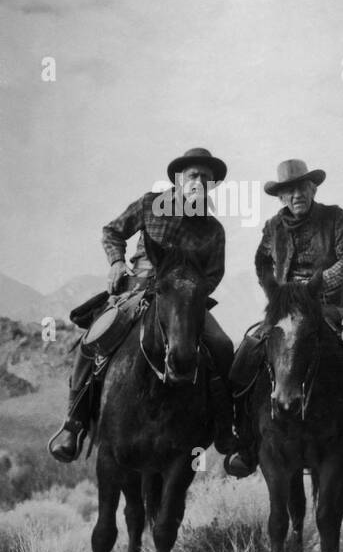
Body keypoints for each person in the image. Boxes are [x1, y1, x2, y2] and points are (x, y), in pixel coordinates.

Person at [48, 147, 236, 462]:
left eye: (206, 177)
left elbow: (214, 273)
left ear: (212, 185)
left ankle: (225, 426)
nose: (199, 181)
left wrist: (190, 294)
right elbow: (112, 231)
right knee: (92, 340)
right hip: (137, 289)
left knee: (222, 344)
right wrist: (117, 262)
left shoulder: (214, 230)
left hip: (184, 301)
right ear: (178, 179)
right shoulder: (151, 204)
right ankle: (73, 423)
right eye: (193, 175)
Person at [223, 158, 343, 477]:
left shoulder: (336, 217)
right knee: (246, 352)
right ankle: (244, 440)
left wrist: (314, 287)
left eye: (301, 187)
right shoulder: (272, 227)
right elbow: (261, 262)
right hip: (286, 309)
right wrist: (276, 292)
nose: (296, 194)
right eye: (288, 190)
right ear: (281, 197)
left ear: (312, 188)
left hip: (332, 304)